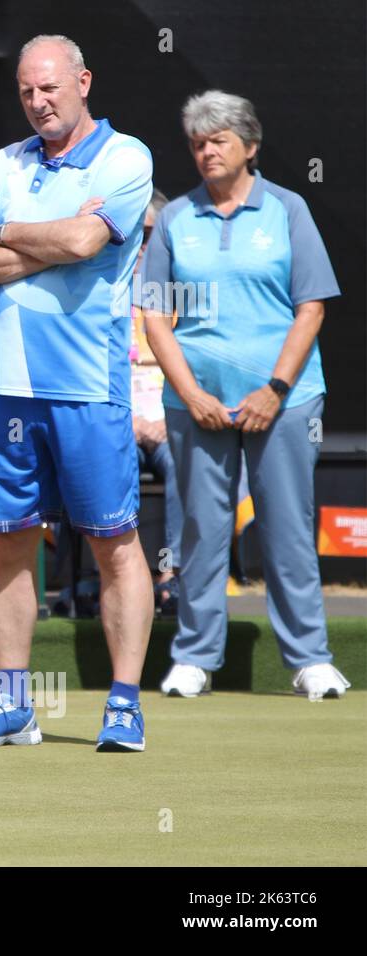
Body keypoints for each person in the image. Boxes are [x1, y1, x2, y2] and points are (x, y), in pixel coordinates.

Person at [0, 34, 154, 751]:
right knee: (8, 544)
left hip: (88, 387)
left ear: (83, 82)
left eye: (51, 88)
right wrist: (46, 238)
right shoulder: (3, 163)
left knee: (113, 544)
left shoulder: (126, 158)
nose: (39, 102)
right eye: (27, 91)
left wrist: (8, 234)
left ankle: (123, 706)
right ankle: (12, 705)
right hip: (6, 387)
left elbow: (83, 244)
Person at [140, 90, 350, 701]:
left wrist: (274, 389)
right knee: (201, 530)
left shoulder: (289, 209)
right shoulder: (175, 218)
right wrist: (189, 393)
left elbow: (311, 308)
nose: (207, 151)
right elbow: (154, 317)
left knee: (287, 526)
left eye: (219, 141)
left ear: (250, 146)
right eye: (197, 143)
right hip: (196, 404)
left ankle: (309, 659)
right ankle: (195, 657)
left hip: (286, 400)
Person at [130, 189, 183, 616]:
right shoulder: (97, 293)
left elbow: (203, 368)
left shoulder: (189, 294)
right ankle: (119, 576)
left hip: (171, 423)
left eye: (150, 234)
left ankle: (172, 577)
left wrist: (174, 417)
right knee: (104, 462)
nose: (142, 244)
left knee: (187, 458)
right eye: (134, 233)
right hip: (119, 423)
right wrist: (125, 420)